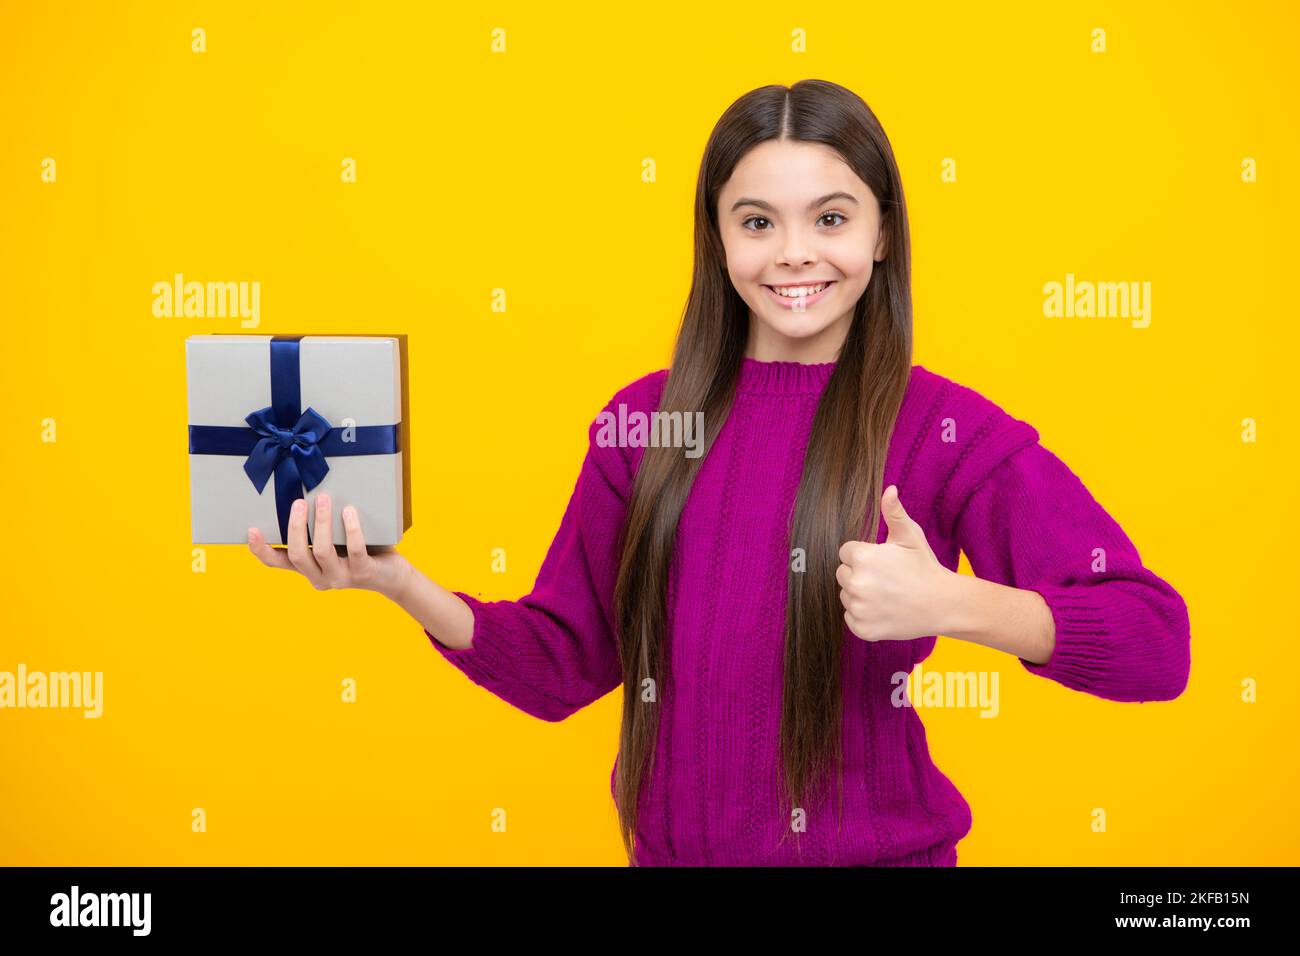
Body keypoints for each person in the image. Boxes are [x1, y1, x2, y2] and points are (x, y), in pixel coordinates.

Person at [247, 79, 1191, 867]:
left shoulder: (945, 429)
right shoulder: (645, 422)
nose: (793, 254)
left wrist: (954, 605)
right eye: (756, 221)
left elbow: (1157, 643)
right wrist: (395, 580)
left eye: (830, 217)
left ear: (883, 234)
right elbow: (563, 666)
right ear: (718, 237)